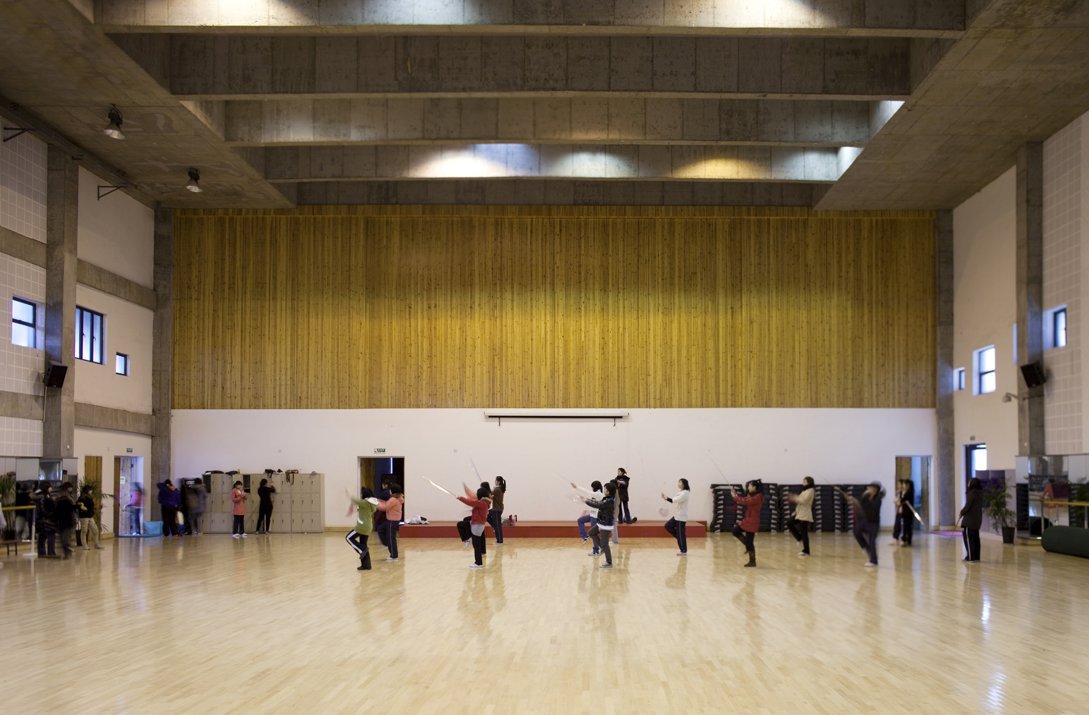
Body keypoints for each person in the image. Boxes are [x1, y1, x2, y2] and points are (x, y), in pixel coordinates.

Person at [846, 481, 885, 567]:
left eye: (870, 488)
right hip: (865, 521)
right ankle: (865, 547)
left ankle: (873, 561)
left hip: (874, 523)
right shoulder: (866, 496)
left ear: (875, 490)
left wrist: (867, 501)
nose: (868, 489)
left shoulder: (878, 499)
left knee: (872, 541)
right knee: (856, 532)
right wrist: (854, 501)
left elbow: (873, 510)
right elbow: (860, 504)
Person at [457, 485, 492, 568]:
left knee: (476, 545)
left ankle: (478, 563)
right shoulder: (484, 503)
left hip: (477, 526)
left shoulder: (482, 503)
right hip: (476, 524)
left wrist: (460, 498)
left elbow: (470, 502)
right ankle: (468, 539)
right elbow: (473, 501)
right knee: (460, 524)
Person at [731, 480, 765, 567]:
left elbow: (746, 501)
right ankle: (748, 546)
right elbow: (745, 499)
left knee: (750, 541)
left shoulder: (758, 496)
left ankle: (752, 561)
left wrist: (735, 497)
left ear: (754, 487)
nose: (748, 487)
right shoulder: (751, 495)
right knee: (735, 531)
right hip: (747, 520)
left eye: (749, 486)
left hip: (753, 521)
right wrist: (736, 495)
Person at [585, 482, 617, 568]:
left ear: (609, 491)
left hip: (606, 525)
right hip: (601, 522)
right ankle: (602, 548)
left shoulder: (609, 501)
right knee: (591, 532)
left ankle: (609, 562)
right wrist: (588, 500)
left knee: (605, 543)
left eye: (605, 488)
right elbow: (597, 502)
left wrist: (586, 501)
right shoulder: (606, 498)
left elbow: (598, 505)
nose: (604, 489)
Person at [346, 487, 378, 571]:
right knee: (363, 544)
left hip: (362, 526)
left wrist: (349, 493)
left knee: (348, 538)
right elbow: (360, 508)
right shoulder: (371, 503)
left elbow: (354, 500)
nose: (360, 495)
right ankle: (366, 565)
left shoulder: (365, 502)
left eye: (361, 494)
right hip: (368, 527)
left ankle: (362, 550)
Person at [786, 476, 815, 557]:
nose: (803, 482)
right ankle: (799, 538)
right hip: (800, 513)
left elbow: (803, 501)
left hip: (805, 514)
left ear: (809, 482)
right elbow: (799, 502)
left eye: (805, 481)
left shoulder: (811, 490)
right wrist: (795, 512)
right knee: (789, 523)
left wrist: (794, 497)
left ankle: (806, 551)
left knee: (804, 533)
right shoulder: (804, 490)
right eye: (803, 481)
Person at [661, 478, 691, 555]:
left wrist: (666, 498)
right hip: (677, 516)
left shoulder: (685, 493)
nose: (678, 483)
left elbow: (675, 500)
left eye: (680, 482)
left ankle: (683, 551)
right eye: (678, 482)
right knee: (668, 526)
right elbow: (675, 500)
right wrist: (666, 498)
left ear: (684, 484)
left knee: (681, 534)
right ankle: (680, 537)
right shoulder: (681, 492)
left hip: (681, 517)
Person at [376, 485, 404, 561]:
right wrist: (380, 501)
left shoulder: (393, 500)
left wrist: (376, 504)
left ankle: (394, 556)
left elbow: (385, 507)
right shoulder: (398, 498)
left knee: (391, 538)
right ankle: (387, 544)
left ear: (393, 493)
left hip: (392, 521)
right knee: (380, 529)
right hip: (393, 521)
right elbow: (387, 504)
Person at [572, 480, 604, 545]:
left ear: (595, 487)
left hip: (596, 516)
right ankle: (584, 536)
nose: (592, 488)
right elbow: (592, 501)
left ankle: (596, 550)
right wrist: (585, 499)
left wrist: (576, 487)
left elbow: (586, 491)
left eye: (592, 487)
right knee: (580, 520)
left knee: (594, 534)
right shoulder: (595, 494)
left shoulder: (599, 494)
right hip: (592, 514)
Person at [961, 477, 983, 562]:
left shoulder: (971, 494)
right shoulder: (980, 494)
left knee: (969, 539)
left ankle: (970, 557)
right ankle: (976, 556)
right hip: (977, 521)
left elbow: (968, 506)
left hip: (969, 521)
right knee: (976, 539)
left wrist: (962, 512)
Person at [54, 483, 79, 559]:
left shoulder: (58, 500)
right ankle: (67, 552)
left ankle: (67, 552)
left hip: (62, 522)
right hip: (68, 521)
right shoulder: (67, 500)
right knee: (66, 538)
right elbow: (71, 507)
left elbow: (56, 511)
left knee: (64, 538)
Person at [34, 486, 58, 558]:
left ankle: (42, 553)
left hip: (42, 520)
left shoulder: (40, 497)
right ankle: (49, 552)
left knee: (42, 537)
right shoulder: (44, 498)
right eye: (50, 487)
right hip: (46, 520)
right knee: (49, 536)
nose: (51, 488)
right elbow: (43, 509)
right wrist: (50, 515)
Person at [77, 485, 103, 550]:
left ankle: (96, 544)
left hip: (90, 516)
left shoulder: (90, 498)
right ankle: (84, 545)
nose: (91, 491)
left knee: (95, 530)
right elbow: (79, 506)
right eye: (90, 490)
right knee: (84, 531)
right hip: (84, 517)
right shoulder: (81, 498)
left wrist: (98, 508)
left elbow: (91, 507)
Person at [487, 476, 506, 544]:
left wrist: (488, 490)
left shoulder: (497, 489)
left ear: (498, 481)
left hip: (497, 509)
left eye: (495, 480)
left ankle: (500, 541)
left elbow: (490, 496)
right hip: (497, 509)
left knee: (498, 525)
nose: (495, 481)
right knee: (486, 515)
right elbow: (492, 496)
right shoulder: (500, 488)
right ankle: (495, 527)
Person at [897, 478, 915, 547]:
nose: (903, 486)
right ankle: (906, 540)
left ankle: (906, 540)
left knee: (907, 526)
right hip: (905, 512)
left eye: (904, 484)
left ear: (908, 485)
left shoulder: (909, 492)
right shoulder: (905, 492)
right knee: (906, 526)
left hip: (908, 512)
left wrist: (901, 496)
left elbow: (902, 500)